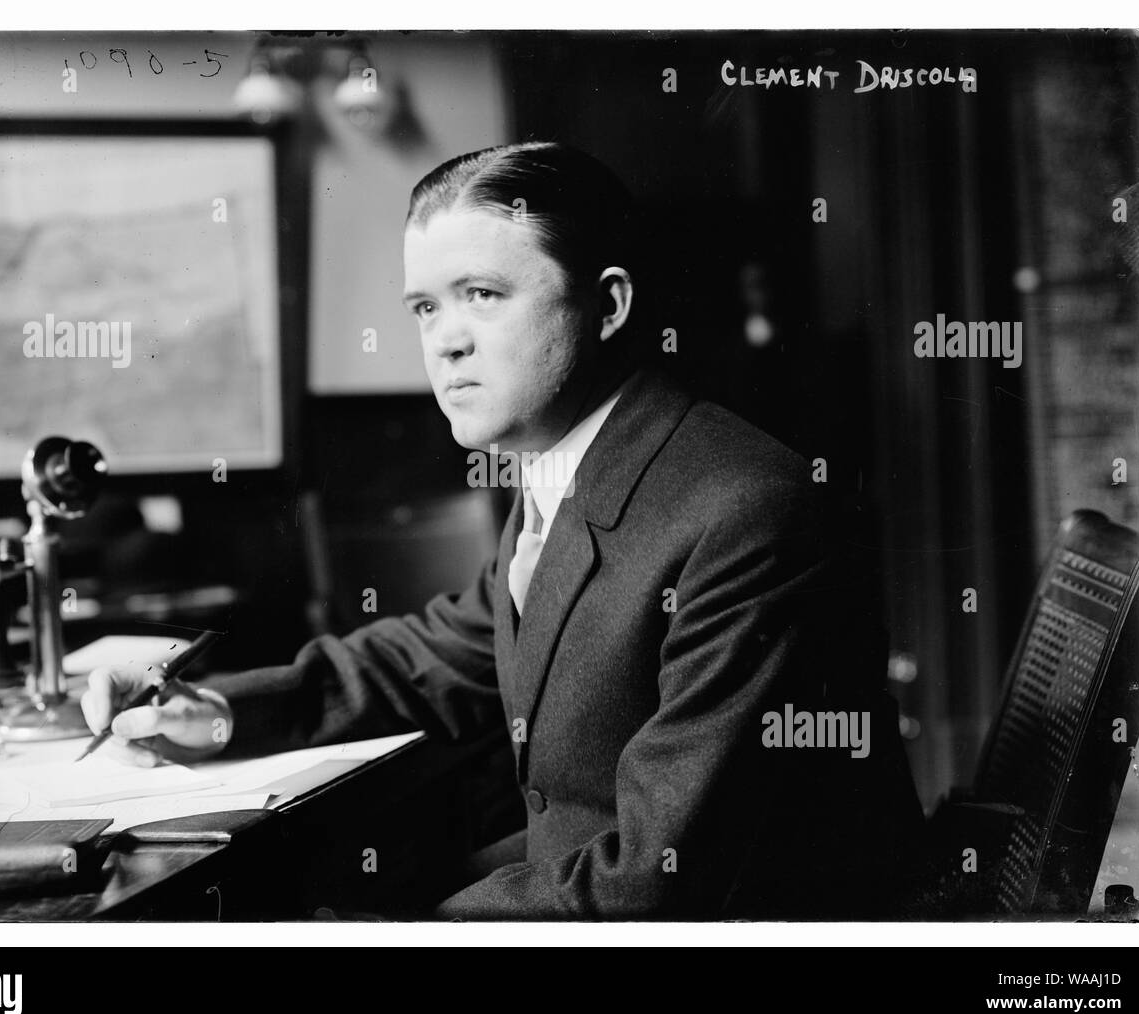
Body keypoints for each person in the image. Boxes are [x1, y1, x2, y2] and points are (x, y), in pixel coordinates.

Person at [84, 142, 923, 920]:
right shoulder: (569, 464)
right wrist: (213, 710)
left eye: (483, 295)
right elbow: (435, 657)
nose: (445, 341)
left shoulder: (740, 511)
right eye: (423, 307)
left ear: (608, 305)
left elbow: (656, 878)